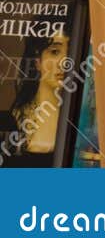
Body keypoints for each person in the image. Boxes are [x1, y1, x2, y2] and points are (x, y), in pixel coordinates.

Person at [0, 30, 70, 160]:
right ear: (37, 61)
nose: (64, 63)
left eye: (70, 53)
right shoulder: (11, 119)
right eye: (55, 52)